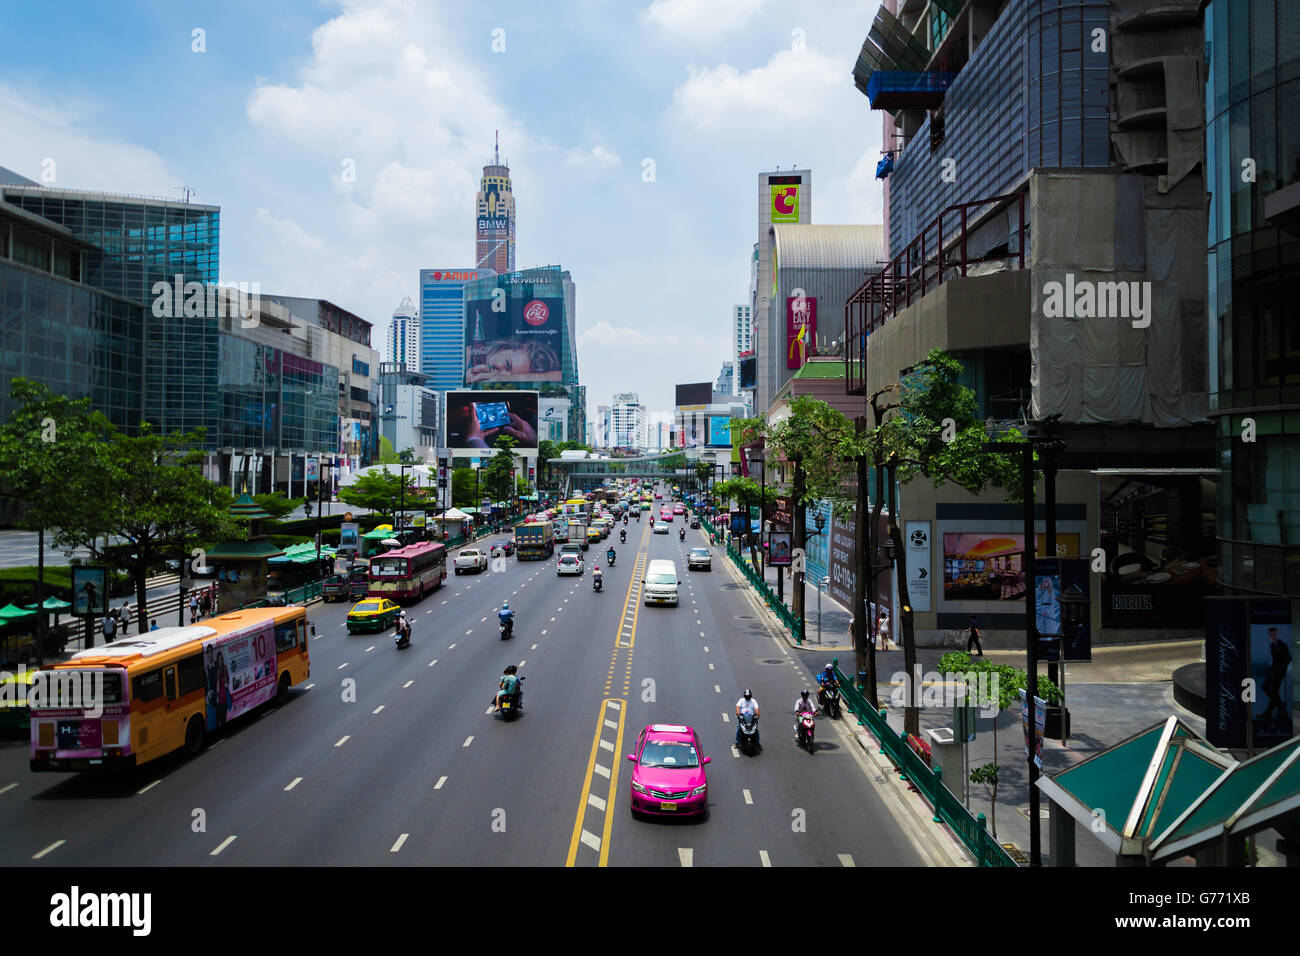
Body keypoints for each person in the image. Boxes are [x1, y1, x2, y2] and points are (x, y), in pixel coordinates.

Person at [1261, 626, 1293, 721]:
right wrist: (1271, 670)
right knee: (1264, 686)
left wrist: (1281, 670)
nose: (1273, 636)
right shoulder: (1272, 645)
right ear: (1269, 635)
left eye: (1274, 634)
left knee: (1274, 692)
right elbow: (1274, 659)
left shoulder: (1283, 645)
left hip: (1279, 672)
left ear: (1277, 634)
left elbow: (1288, 659)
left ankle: (1268, 712)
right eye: (1271, 634)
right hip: (1273, 671)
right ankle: (1280, 704)